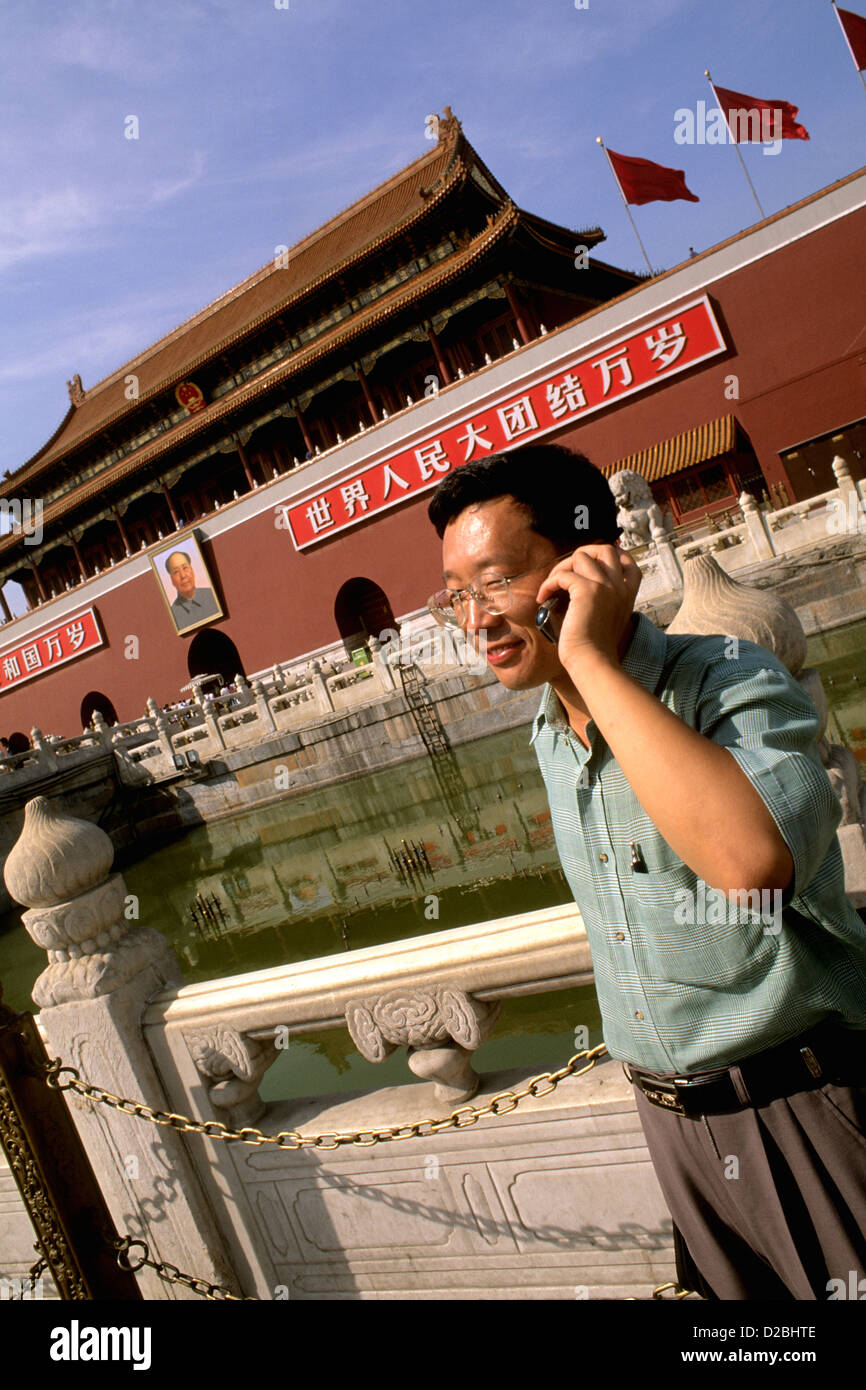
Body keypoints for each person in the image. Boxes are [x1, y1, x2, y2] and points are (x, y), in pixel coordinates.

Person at [427, 442, 866, 1301]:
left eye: (498, 580)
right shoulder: (550, 739)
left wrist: (589, 656)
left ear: (588, 563)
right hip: (676, 1133)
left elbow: (752, 867)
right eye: (458, 593)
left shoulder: (727, 683)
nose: (476, 618)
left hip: (803, 1105)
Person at [164, 550, 220, 630]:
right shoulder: (174, 615)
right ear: (171, 580)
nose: (183, 575)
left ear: (192, 571)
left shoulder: (212, 596)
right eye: (176, 572)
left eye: (185, 568)